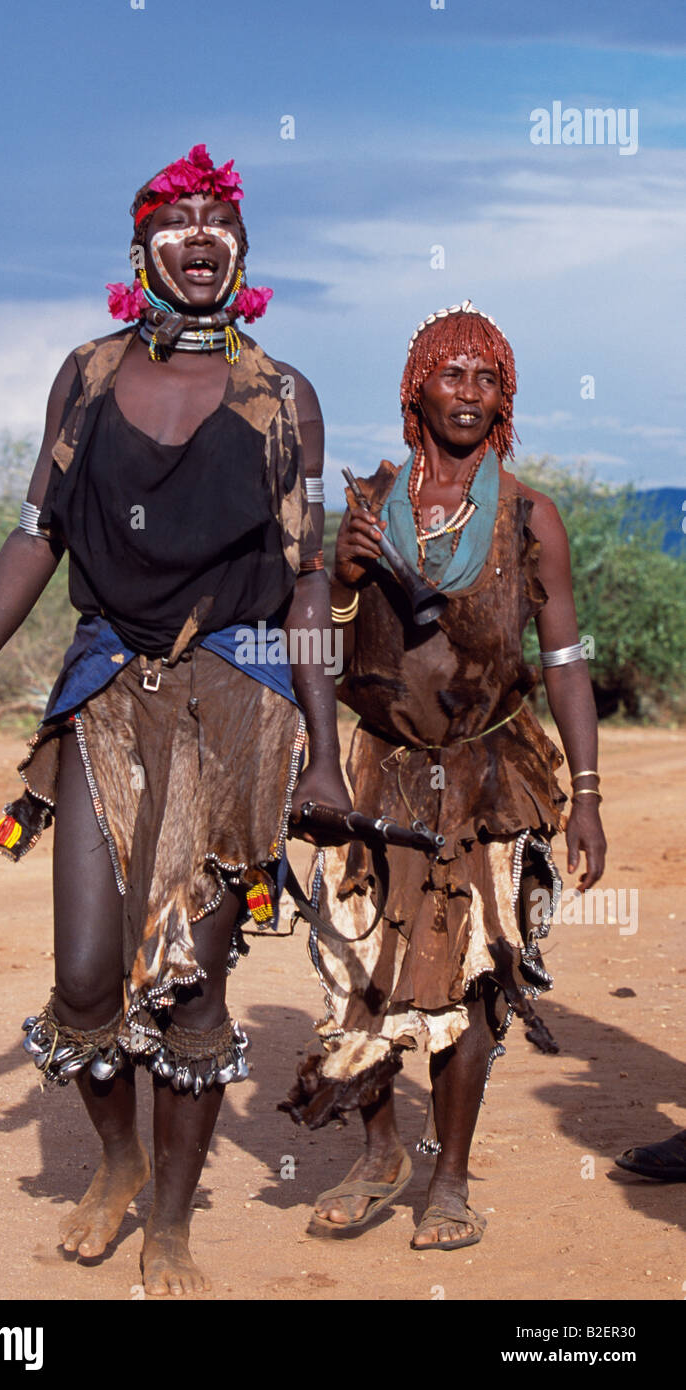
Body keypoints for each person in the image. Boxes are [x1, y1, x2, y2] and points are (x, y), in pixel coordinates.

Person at [0, 143, 349, 1296]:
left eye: (219, 221)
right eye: (176, 220)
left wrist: (324, 752)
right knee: (91, 977)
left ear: (241, 253)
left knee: (193, 983)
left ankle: (174, 1225)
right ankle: (117, 1162)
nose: (200, 236)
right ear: (140, 247)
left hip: (234, 708)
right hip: (103, 695)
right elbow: (36, 533)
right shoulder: (87, 377)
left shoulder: (281, 395)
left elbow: (304, 580)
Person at [281, 299, 607, 1250]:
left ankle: (449, 1178)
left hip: (488, 771)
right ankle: (379, 1152)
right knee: (359, 970)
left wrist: (585, 793)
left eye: (488, 378)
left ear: (507, 397)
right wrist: (342, 581)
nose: (469, 393)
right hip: (378, 774)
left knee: (468, 979)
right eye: (451, 374)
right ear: (416, 386)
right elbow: (317, 657)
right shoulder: (368, 511)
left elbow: (566, 662)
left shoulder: (529, 516)